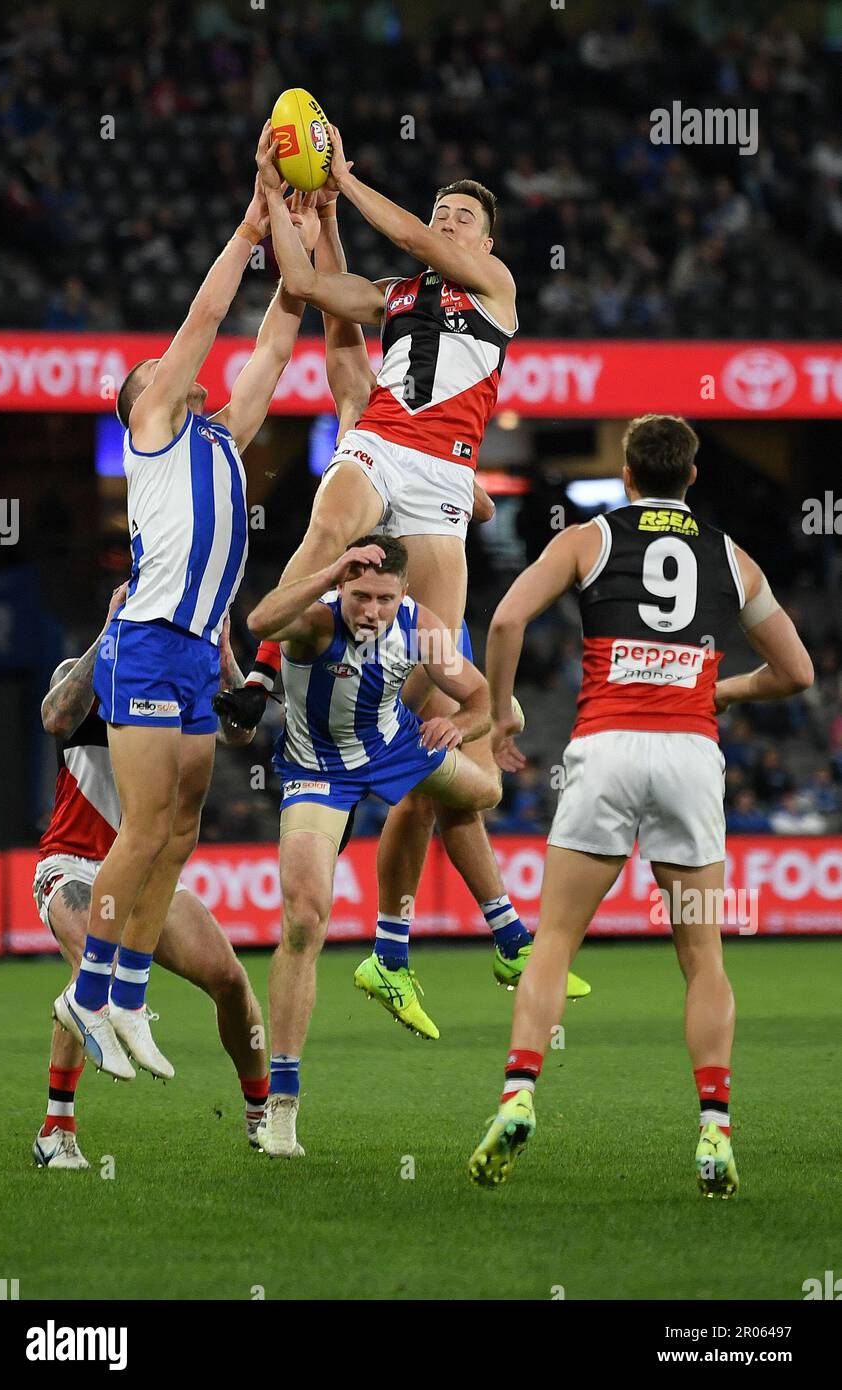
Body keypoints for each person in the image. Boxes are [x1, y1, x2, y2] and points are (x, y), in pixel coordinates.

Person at [251, 139, 590, 1023]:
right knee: (329, 519)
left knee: (445, 702)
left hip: (443, 479)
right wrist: (286, 209)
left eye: (463, 217)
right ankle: (262, 665)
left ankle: (426, 945)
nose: (447, 223)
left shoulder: (498, 290)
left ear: (487, 239)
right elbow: (315, 289)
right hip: (385, 443)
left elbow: (410, 242)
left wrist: (346, 182)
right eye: (442, 210)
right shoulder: (399, 301)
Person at [468, 414, 813, 1197]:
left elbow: (508, 618)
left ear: (626, 475)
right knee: (704, 961)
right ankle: (715, 1130)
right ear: (693, 477)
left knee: (553, 942)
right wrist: (718, 689)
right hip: (690, 754)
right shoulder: (730, 555)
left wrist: (497, 719)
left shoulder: (586, 540)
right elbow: (795, 672)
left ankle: (520, 1091)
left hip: (606, 749)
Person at [53, 141, 319, 1080]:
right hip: (147, 641)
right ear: (139, 404)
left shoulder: (219, 435)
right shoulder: (155, 426)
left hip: (196, 646)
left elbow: (278, 341)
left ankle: (126, 996)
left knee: (182, 825)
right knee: (143, 826)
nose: (172, 370)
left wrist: (307, 236)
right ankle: (85, 999)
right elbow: (210, 316)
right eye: (154, 372)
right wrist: (251, 222)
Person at [246, 536, 503, 1158]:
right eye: (360, 596)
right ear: (343, 589)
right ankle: (281, 1105)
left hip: (394, 750)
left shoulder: (419, 626)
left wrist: (461, 725)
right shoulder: (315, 622)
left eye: (385, 598)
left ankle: (393, 953)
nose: (371, 611)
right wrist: (328, 573)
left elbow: (479, 700)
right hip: (318, 776)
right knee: (305, 921)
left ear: (403, 594)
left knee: (488, 791)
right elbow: (259, 620)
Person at [33, 588, 270, 1167]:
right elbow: (55, 716)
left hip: (152, 873)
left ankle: (264, 1115)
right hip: (72, 863)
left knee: (231, 981)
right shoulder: (94, 669)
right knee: (92, 961)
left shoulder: (188, 676)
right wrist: (110, 631)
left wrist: (223, 656)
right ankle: (55, 1131)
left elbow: (239, 733)